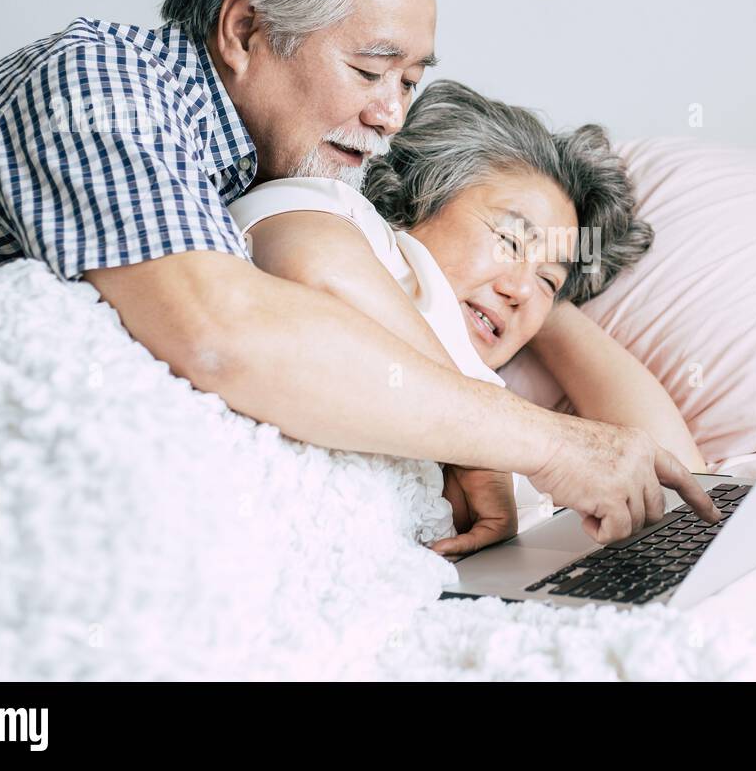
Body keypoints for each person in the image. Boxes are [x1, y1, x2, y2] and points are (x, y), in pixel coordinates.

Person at [0, 0, 720, 544]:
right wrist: (534, 442)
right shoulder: (101, 86)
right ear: (245, 28)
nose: (393, 116)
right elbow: (224, 335)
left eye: (411, 81)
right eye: (370, 71)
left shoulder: (225, 172)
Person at [228, 80, 708, 554]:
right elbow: (318, 268)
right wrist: (485, 446)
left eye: (548, 283)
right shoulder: (344, 216)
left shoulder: (500, 397)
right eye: (509, 240)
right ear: (417, 196)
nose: (521, 290)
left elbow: (688, 501)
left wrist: (553, 303)